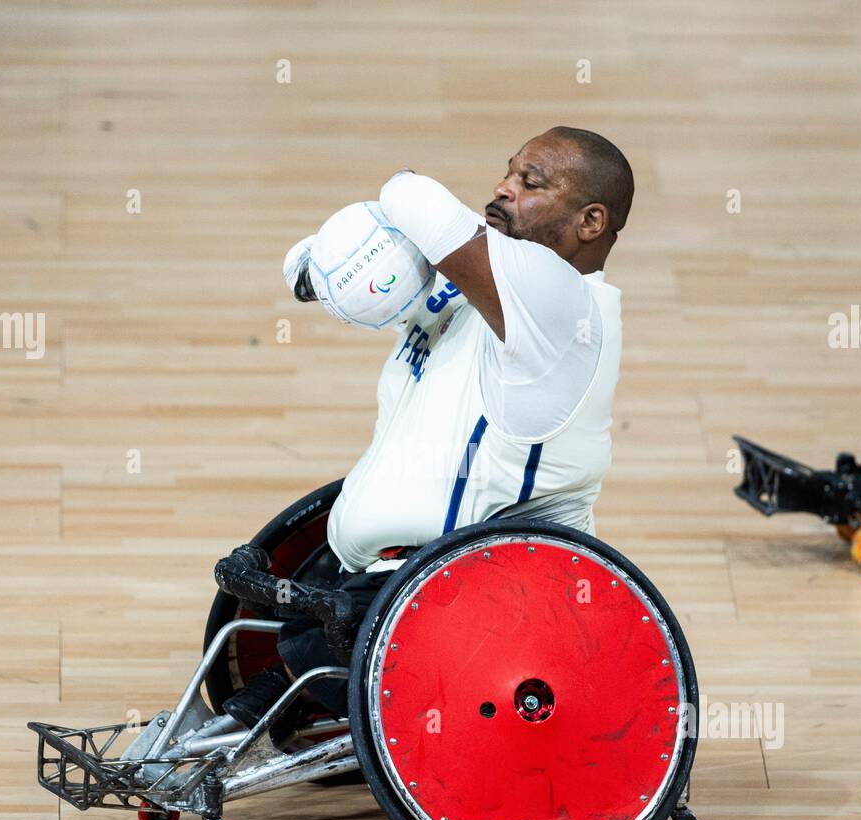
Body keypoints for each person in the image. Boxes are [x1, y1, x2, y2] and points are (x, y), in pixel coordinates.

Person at [221, 126, 635, 728]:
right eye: (508, 171)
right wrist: (330, 269)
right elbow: (321, 272)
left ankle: (286, 694)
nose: (503, 188)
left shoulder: (562, 306)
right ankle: (291, 689)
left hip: (464, 602)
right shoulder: (486, 296)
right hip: (382, 575)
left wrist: (397, 186)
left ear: (590, 222)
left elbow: (415, 200)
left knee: (306, 632)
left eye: (530, 182)